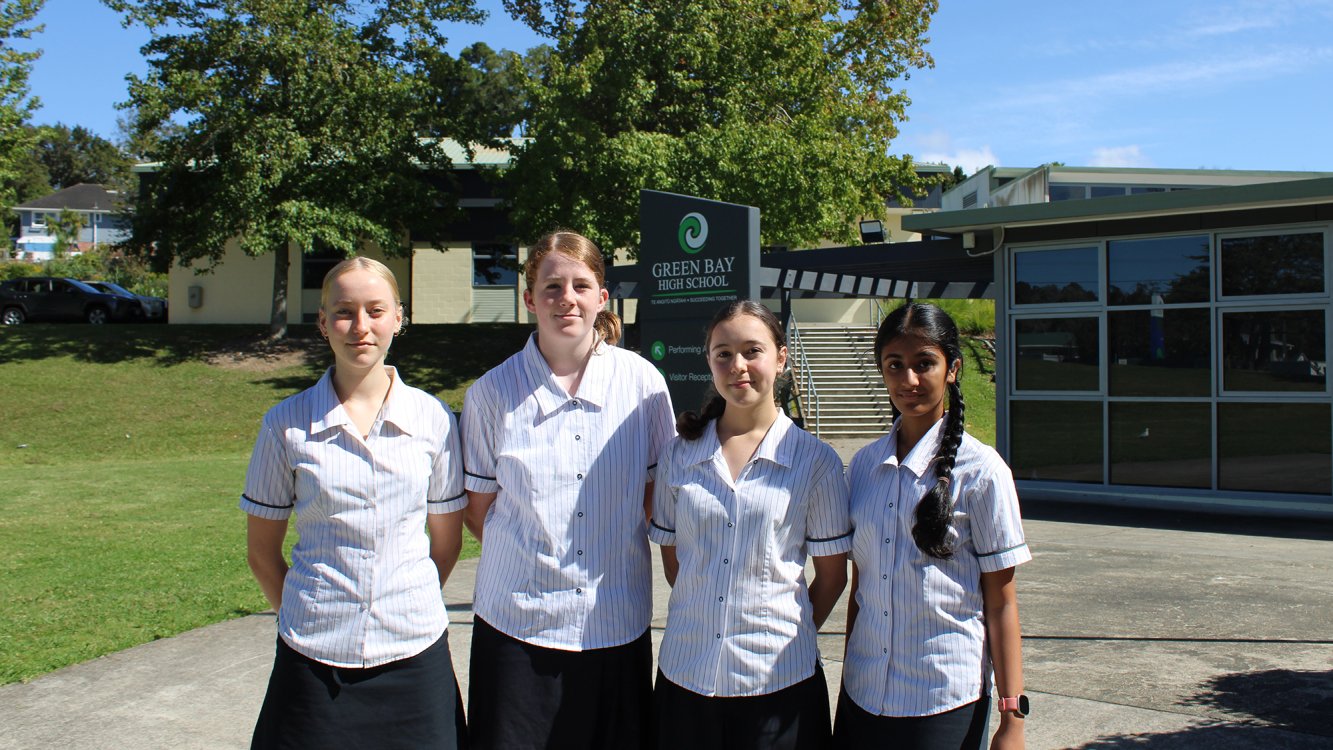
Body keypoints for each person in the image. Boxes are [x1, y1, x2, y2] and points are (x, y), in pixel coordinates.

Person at [241, 257, 468, 750]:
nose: (360, 327)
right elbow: (261, 553)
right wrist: (307, 612)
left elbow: (445, 546)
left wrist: (401, 599)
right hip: (314, 657)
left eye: (375, 310)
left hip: (414, 652)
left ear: (398, 319)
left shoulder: (434, 420)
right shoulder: (284, 424)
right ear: (323, 323)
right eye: (344, 312)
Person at [461, 230, 675, 750]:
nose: (566, 298)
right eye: (552, 285)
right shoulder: (491, 393)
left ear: (602, 297)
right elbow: (478, 511)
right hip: (516, 627)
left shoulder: (644, 385)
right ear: (529, 297)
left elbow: (657, 496)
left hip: (615, 624)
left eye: (581, 284)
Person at [649, 300, 851, 749]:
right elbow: (674, 560)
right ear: (709, 361)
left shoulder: (815, 463)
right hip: (687, 675)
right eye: (723, 353)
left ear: (781, 359)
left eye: (751, 351)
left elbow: (833, 576)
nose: (737, 365)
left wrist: (779, 630)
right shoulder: (678, 455)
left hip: (779, 683)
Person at [835, 302, 1030, 750]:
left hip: (943, 700)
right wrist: (850, 672)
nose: (909, 380)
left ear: (953, 369)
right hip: (863, 695)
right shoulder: (864, 466)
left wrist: (1012, 718)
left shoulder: (982, 471)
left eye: (925, 364)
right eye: (895, 365)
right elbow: (862, 584)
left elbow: (1001, 602)